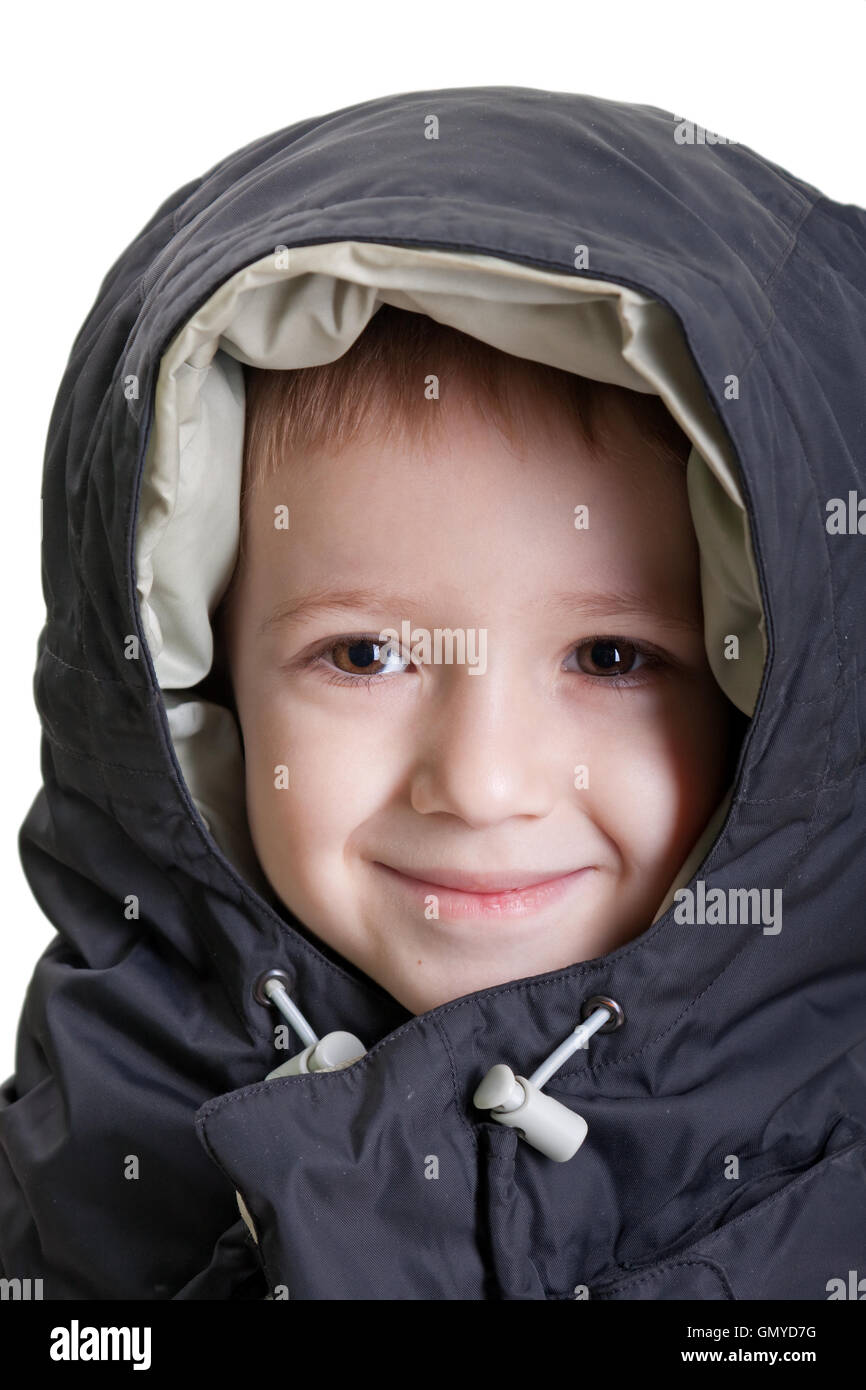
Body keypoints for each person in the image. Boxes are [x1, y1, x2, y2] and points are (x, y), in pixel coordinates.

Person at [1, 86, 864, 1302]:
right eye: (364, 655)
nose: (480, 780)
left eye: (608, 658)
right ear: (199, 694)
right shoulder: (84, 1188)